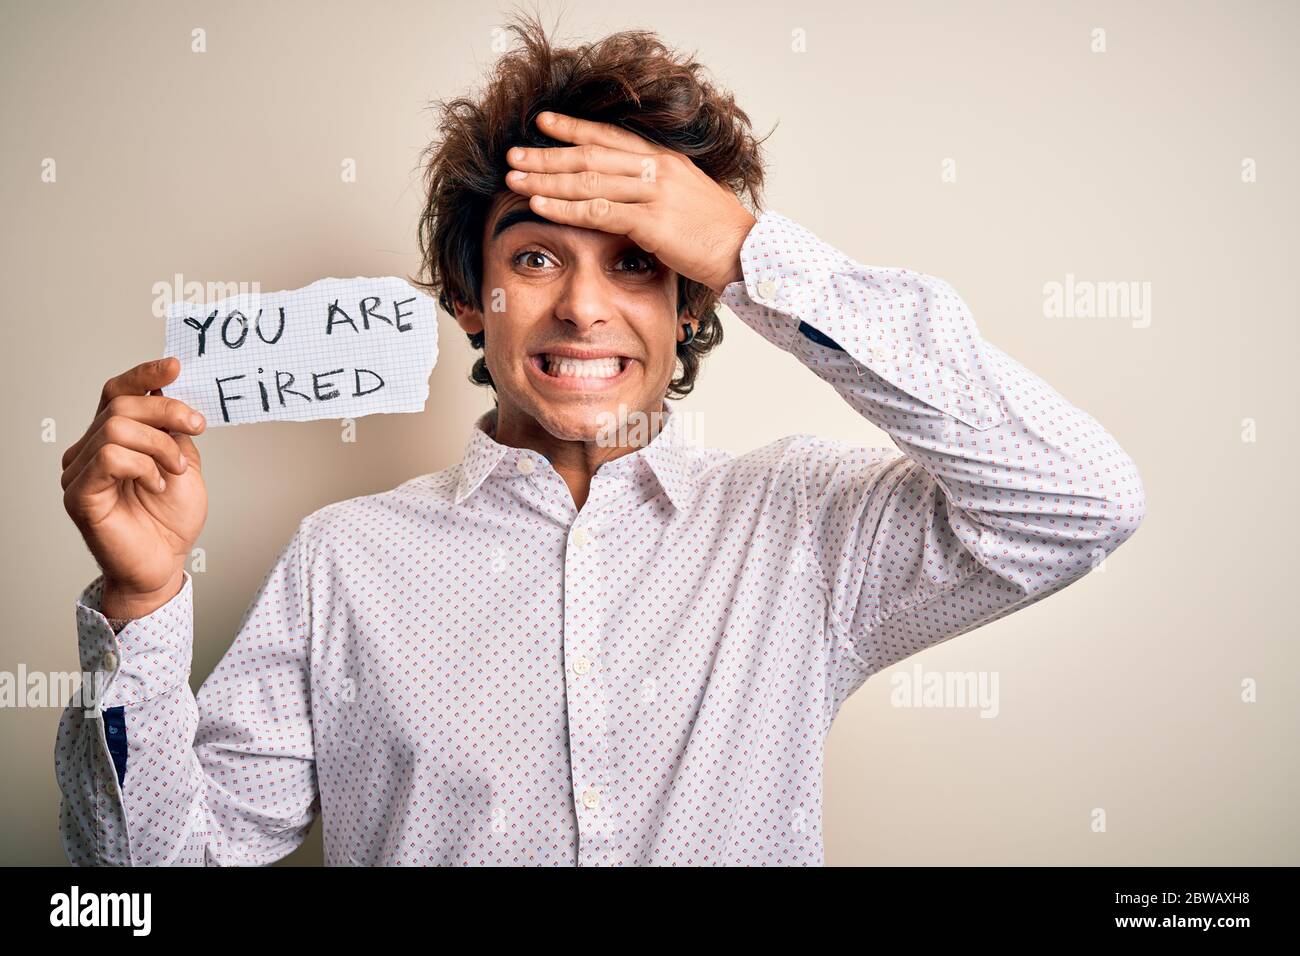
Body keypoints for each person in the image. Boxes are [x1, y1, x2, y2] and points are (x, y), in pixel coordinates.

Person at [55, 16, 1145, 866]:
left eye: (635, 260)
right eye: (535, 259)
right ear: (473, 298)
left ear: (692, 304)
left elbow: (1080, 498)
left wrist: (747, 245)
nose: (584, 308)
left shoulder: (804, 527)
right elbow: (135, 892)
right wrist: (142, 608)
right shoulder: (340, 562)